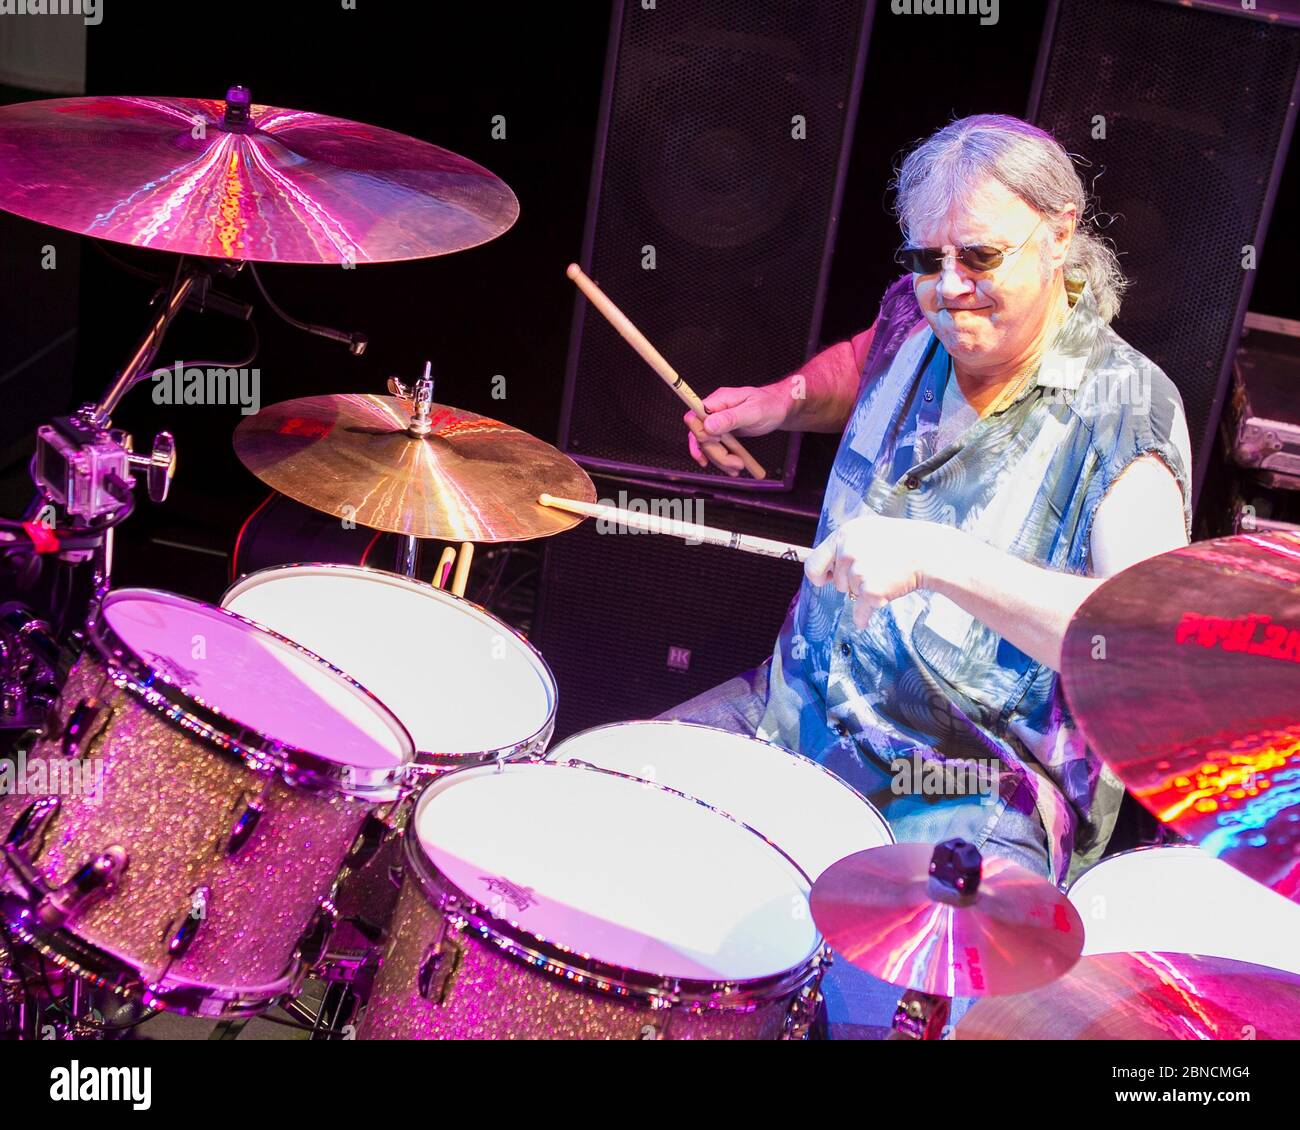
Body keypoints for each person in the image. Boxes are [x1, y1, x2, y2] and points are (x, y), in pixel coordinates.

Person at [663, 113, 1192, 896]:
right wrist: (786, 400)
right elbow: (866, 352)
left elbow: (1149, 647)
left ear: (1059, 234)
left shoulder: (1128, 410)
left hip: (964, 788)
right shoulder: (922, 310)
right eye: (926, 257)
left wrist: (936, 557)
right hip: (795, 711)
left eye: (980, 256)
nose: (949, 288)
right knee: (597, 823)